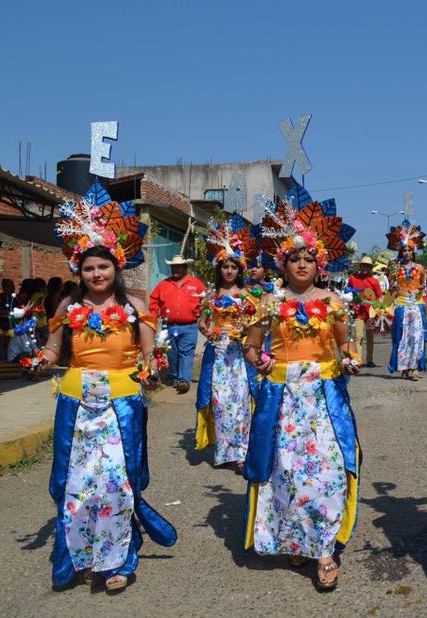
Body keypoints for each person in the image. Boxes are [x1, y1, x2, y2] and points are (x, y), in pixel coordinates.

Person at [37, 182, 175, 591]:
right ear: (78, 271)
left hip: (122, 401)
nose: (97, 274)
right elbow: (52, 349)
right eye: (89, 268)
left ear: (117, 267)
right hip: (76, 401)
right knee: (77, 483)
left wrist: (153, 370)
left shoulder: (135, 306)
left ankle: (119, 560)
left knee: (117, 480)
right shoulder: (68, 306)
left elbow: (150, 356)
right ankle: (80, 557)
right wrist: (39, 361)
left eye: (103, 267)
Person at [241, 188, 359, 591]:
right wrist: (258, 361)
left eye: (309, 258)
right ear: (283, 262)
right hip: (283, 400)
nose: (303, 264)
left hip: (324, 399)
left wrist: (349, 359)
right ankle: (294, 538)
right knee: (286, 473)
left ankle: (324, 548)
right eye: (295, 257)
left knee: (326, 471)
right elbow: (251, 346)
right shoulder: (268, 303)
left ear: (319, 263)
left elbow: (347, 342)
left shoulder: (334, 302)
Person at [194, 215, 260, 470]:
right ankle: (224, 451)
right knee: (220, 402)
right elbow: (202, 322)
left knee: (242, 401)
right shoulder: (211, 295)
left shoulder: (246, 295)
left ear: (240, 269)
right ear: (218, 268)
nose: (229, 270)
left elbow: (257, 324)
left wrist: (245, 330)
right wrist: (208, 332)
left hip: (241, 356)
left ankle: (243, 452)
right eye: (225, 266)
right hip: (219, 355)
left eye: (234, 266)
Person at [149, 254, 204, 394]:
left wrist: (204, 317)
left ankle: (183, 380)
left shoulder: (196, 284)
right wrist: (153, 318)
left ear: (185, 267)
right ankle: (175, 376)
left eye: (178, 266)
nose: (175, 269)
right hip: (168, 325)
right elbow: (153, 302)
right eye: (173, 267)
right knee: (172, 353)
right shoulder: (163, 285)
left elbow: (205, 302)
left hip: (189, 326)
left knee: (186, 352)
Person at [386, 221, 427, 381]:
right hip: (402, 305)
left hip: (417, 306)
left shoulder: (420, 267)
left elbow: (424, 286)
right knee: (402, 337)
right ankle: (404, 368)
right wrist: (394, 287)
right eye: (404, 250)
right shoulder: (394, 268)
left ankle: (415, 368)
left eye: (410, 250)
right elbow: (390, 289)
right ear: (400, 252)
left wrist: (421, 289)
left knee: (417, 337)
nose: (407, 253)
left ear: (413, 251)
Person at [346, 256, 383, 367]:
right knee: (358, 336)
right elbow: (348, 293)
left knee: (370, 336)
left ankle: (370, 360)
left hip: (371, 312)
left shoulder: (374, 281)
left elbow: (379, 297)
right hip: (358, 312)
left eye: (368, 266)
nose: (365, 267)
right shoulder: (353, 278)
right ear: (360, 265)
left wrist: (379, 309)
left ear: (370, 267)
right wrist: (351, 301)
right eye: (363, 265)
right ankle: (358, 360)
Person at [0, 279, 16, 359]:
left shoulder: (14, 298)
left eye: (12, 286)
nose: (12, 288)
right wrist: (12, 314)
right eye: (9, 286)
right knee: (5, 342)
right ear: (4, 287)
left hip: (16, 325)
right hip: (6, 324)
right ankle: (2, 358)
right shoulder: (0, 298)